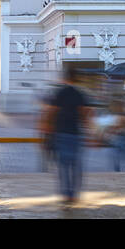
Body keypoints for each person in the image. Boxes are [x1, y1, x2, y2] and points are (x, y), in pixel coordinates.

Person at [44, 63, 92, 206]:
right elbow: (85, 113)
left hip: (61, 134)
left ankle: (66, 194)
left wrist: (48, 129)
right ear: (76, 78)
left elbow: (51, 113)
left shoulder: (60, 93)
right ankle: (73, 194)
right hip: (75, 134)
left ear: (65, 77)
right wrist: (89, 132)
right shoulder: (80, 94)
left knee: (63, 165)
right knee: (76, 165)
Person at [106, 94, 125, 173]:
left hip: (122, 136)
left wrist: (112, 131)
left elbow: (119, 126)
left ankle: (118, 171)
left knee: (117, 155)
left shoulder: (122, 114)